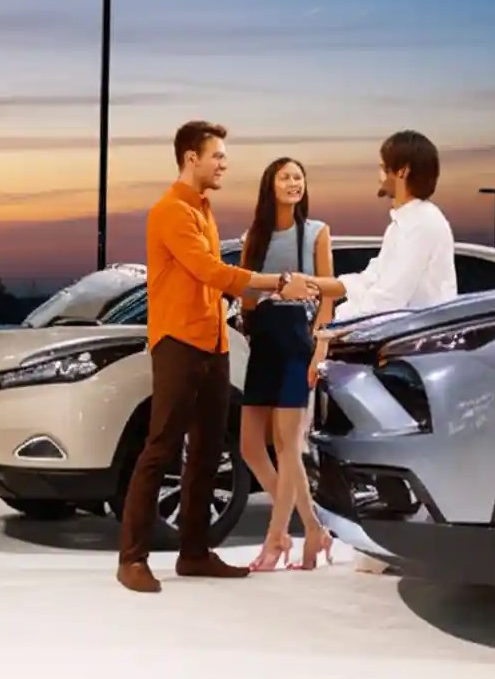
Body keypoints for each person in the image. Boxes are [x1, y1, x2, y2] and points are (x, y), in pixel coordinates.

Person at [116, 120, 317, 594]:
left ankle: (194, 553)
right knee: (160, 448)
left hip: (213, 343)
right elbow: (209, 271)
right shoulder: (169, 212)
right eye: (218, 156)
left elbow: (212, 279)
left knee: (207, 452)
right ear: (191, 157)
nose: (224, 163)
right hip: (178, 344)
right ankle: (132, 559)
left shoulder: (204, 210)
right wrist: (274, 282)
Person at [298, 129, 457, 574]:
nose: (380, 174)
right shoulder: (405, 223)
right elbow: (371, 278)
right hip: (398, 352)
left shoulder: (424, 224)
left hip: (414, 356)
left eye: (384, 165)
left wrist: (332, 328)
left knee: (395, 453)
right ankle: (385, 544)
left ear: (401, 170)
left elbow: (390, 296)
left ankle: (398, 547)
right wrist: (318, 288)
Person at [235, 157, 336, 572]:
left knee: (287, 446)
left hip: (298, 341)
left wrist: (319, 348)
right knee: (249, 445)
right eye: (285, 177)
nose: (293, 183)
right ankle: (312, 527)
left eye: (298, 177)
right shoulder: (253, 237)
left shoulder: (316, 233)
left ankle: (277, 538)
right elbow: (244, 295)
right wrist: (262, 293)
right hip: (263, 343)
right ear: (270, 186)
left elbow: (328, 295)